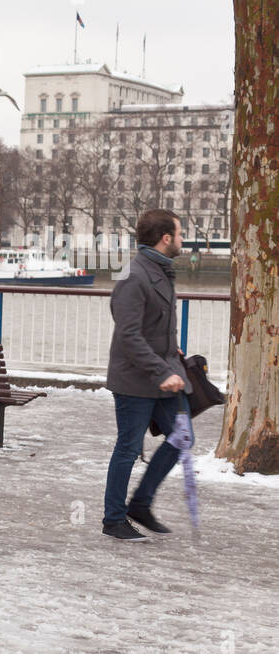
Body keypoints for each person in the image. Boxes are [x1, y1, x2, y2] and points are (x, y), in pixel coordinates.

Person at [102, 209, 192, 541]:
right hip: (135, 380)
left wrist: (173, 350)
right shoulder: (133, 276)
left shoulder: (160, 269)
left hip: (164, 374)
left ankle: (139, 504)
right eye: (180, 234)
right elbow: (129, 336)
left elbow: (151, 325)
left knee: (182, 437)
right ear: (166, 238)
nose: (183, 240)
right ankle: (113, 519)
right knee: (128, 447)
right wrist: (160, 370)